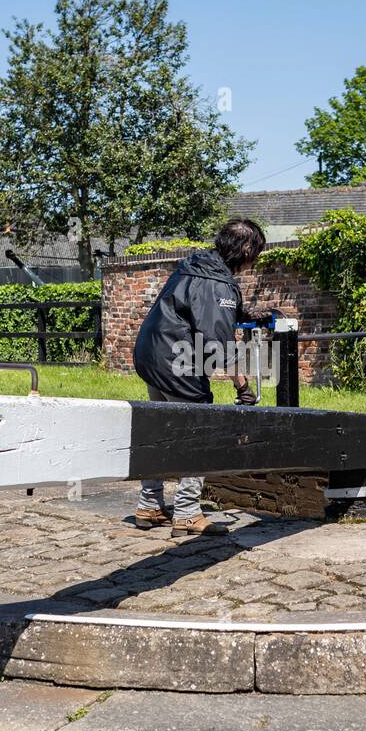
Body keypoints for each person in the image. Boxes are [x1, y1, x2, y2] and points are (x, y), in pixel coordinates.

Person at [131, 218, 266, 536]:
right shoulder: (218, 282)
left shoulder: (196, 265)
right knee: (200, 433)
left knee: (161, 433)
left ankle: (149, 505)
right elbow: (218, 343)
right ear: (246, 250)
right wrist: (243, 385)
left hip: (152, 356)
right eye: (256, 252)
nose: (255, 260)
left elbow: (196, 306)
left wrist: (245, 314)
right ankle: (188, 513)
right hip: (178, 364)